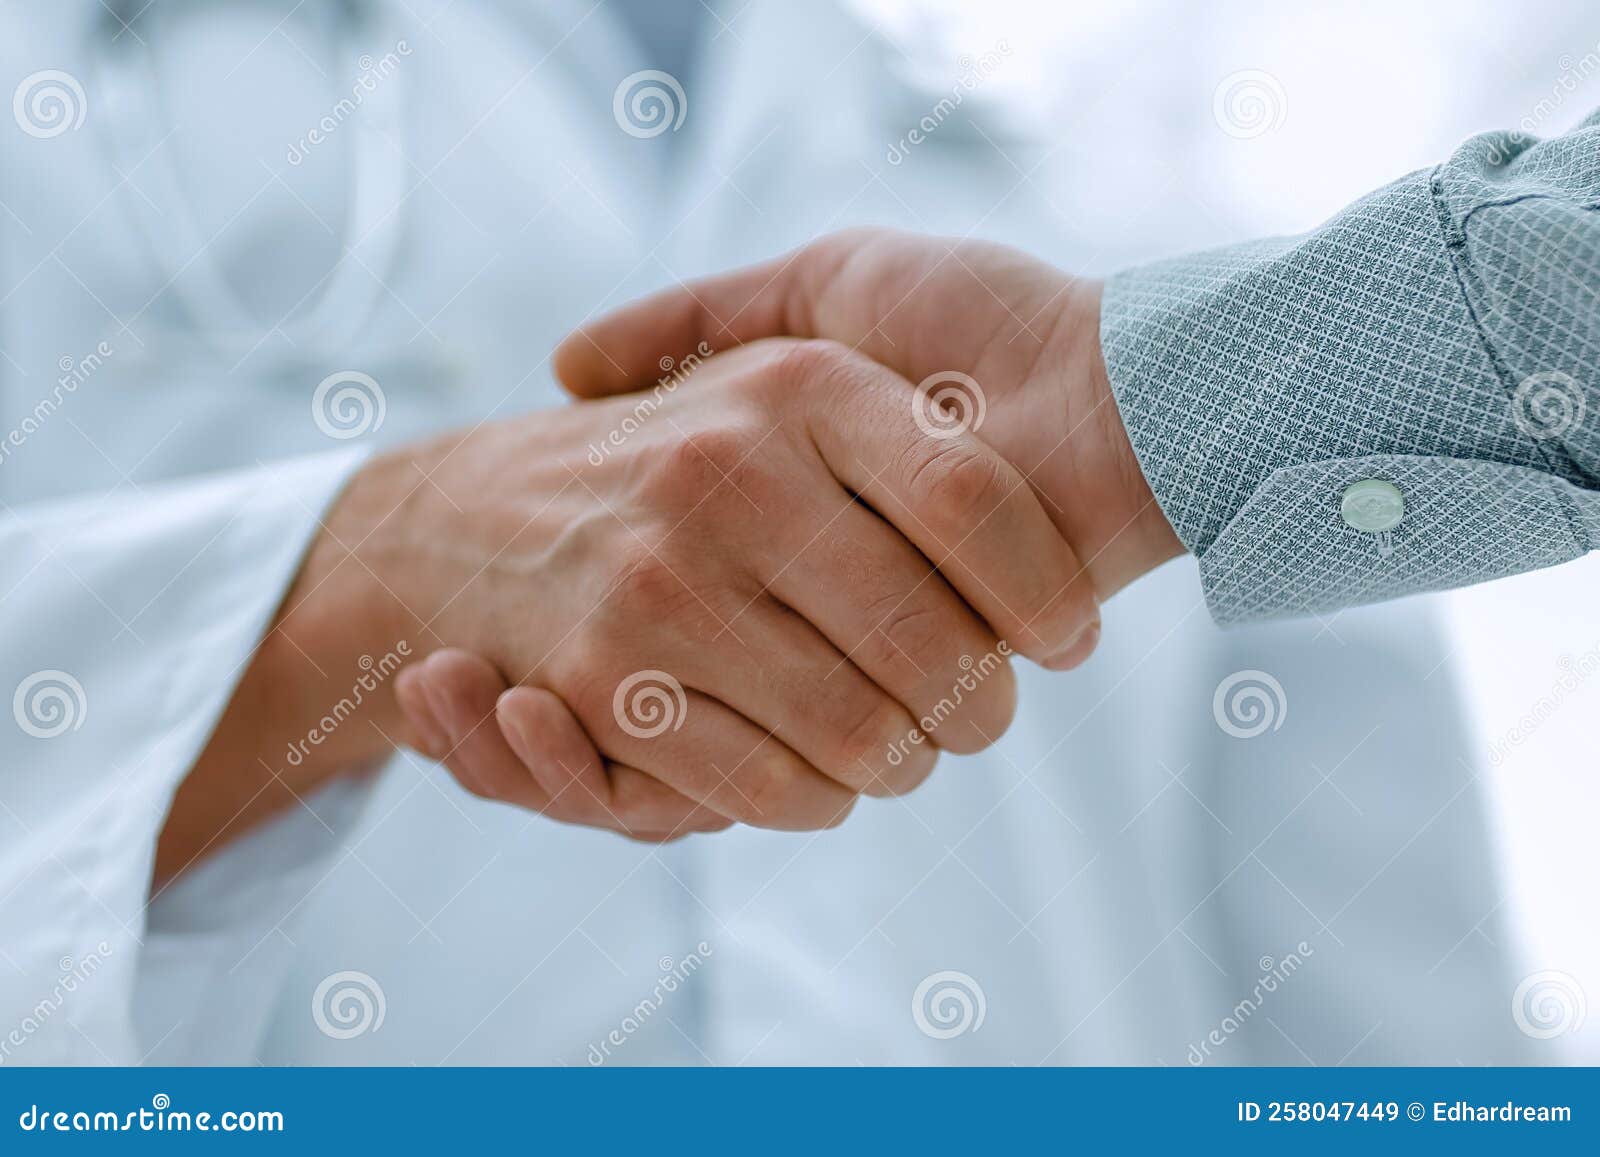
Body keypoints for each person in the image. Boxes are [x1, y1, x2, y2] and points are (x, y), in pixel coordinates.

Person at [0, 0, 1558, 1065]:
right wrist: (347, 577)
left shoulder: (1119, 221)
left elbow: (1404, 1040)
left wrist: (1171, 388)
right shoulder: (64, 119)